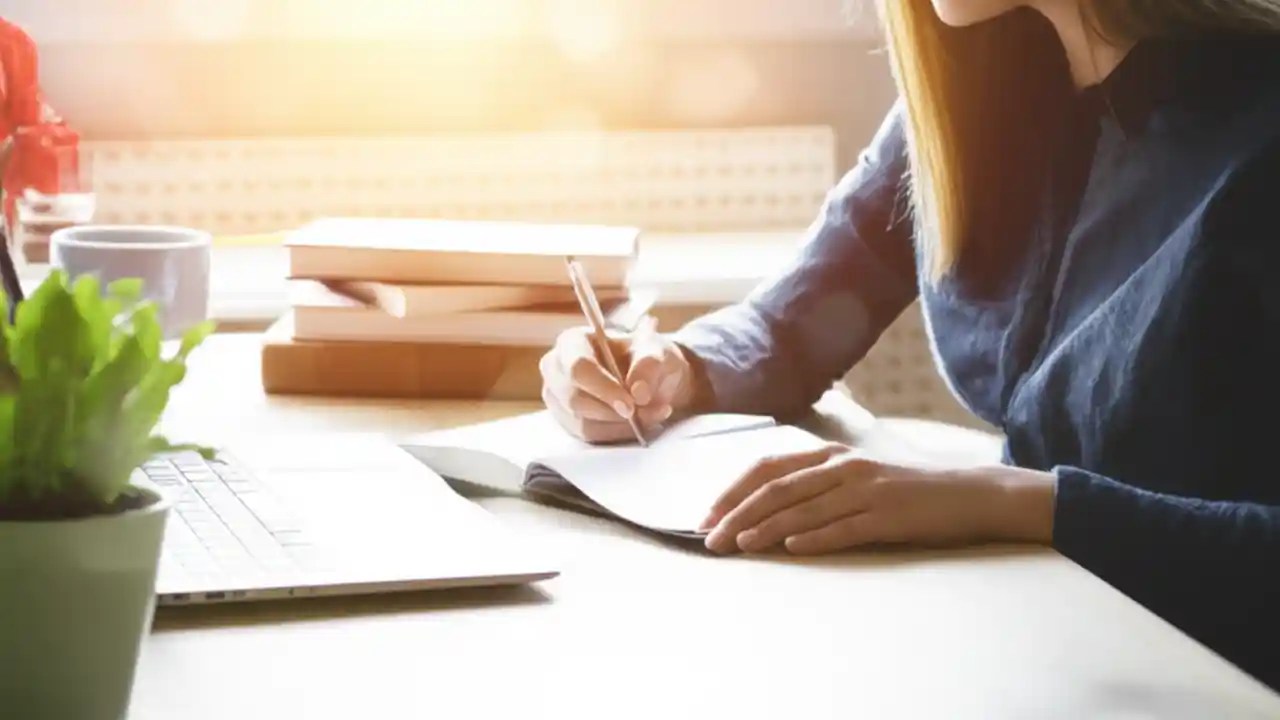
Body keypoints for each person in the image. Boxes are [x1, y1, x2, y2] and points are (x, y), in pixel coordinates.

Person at [540, 0, 1280, 689]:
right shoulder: (981, 81)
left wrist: (1011, 503)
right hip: (1042, 637)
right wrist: (671, 370)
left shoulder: (1258, 130)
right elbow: (790, 324)